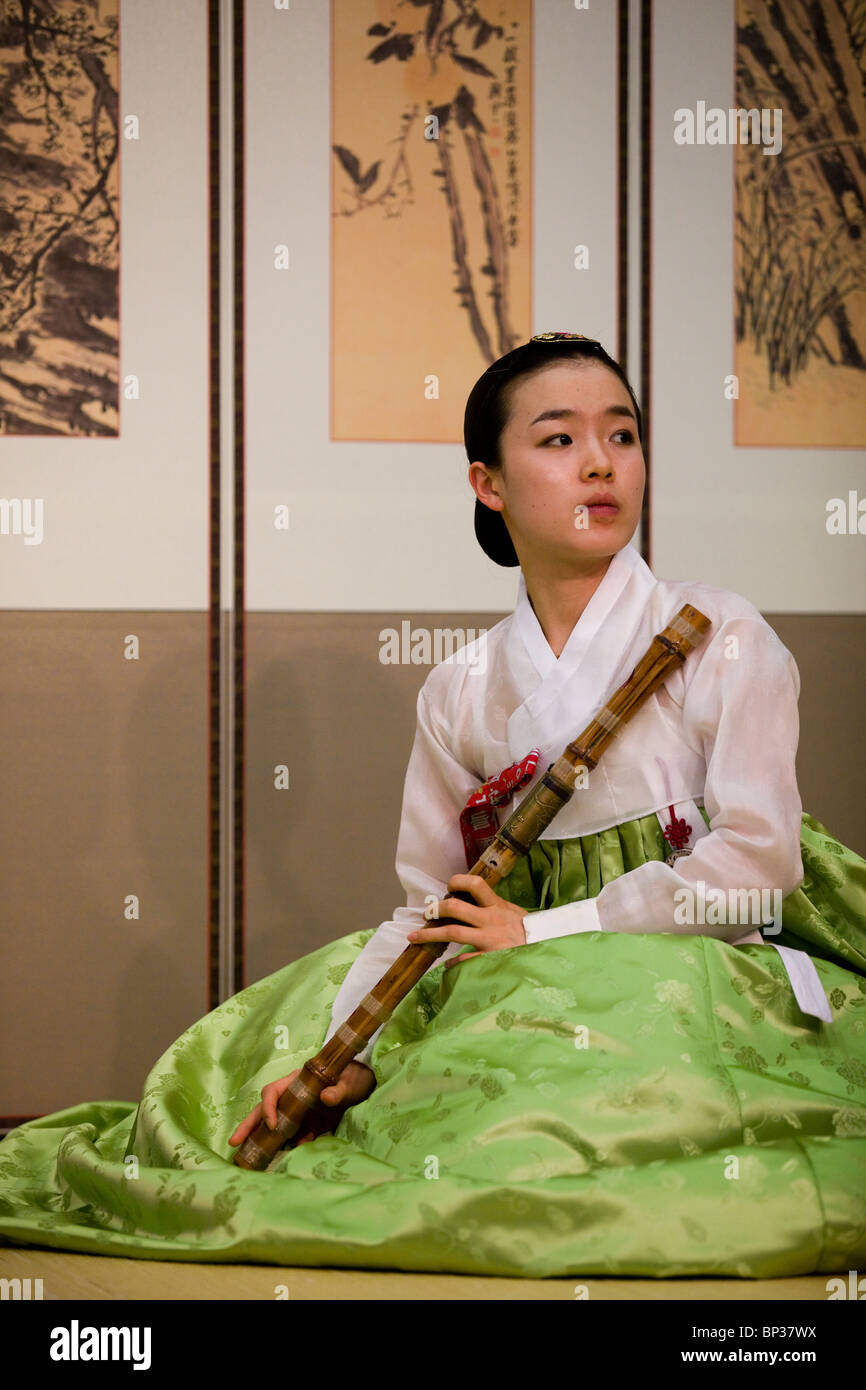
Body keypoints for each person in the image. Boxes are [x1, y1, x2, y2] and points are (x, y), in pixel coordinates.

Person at [2, 334, 864, 1277]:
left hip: (704, 958)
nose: (600, 462)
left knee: (546, 1111)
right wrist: (348, 1059)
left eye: (622, 434)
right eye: (558, 440)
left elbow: (758, 868)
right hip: (513, 961)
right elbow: (429, 908)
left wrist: (546, 935)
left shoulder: (720, 634)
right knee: (264, 1055)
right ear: (487, 483)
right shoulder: (462, 689)